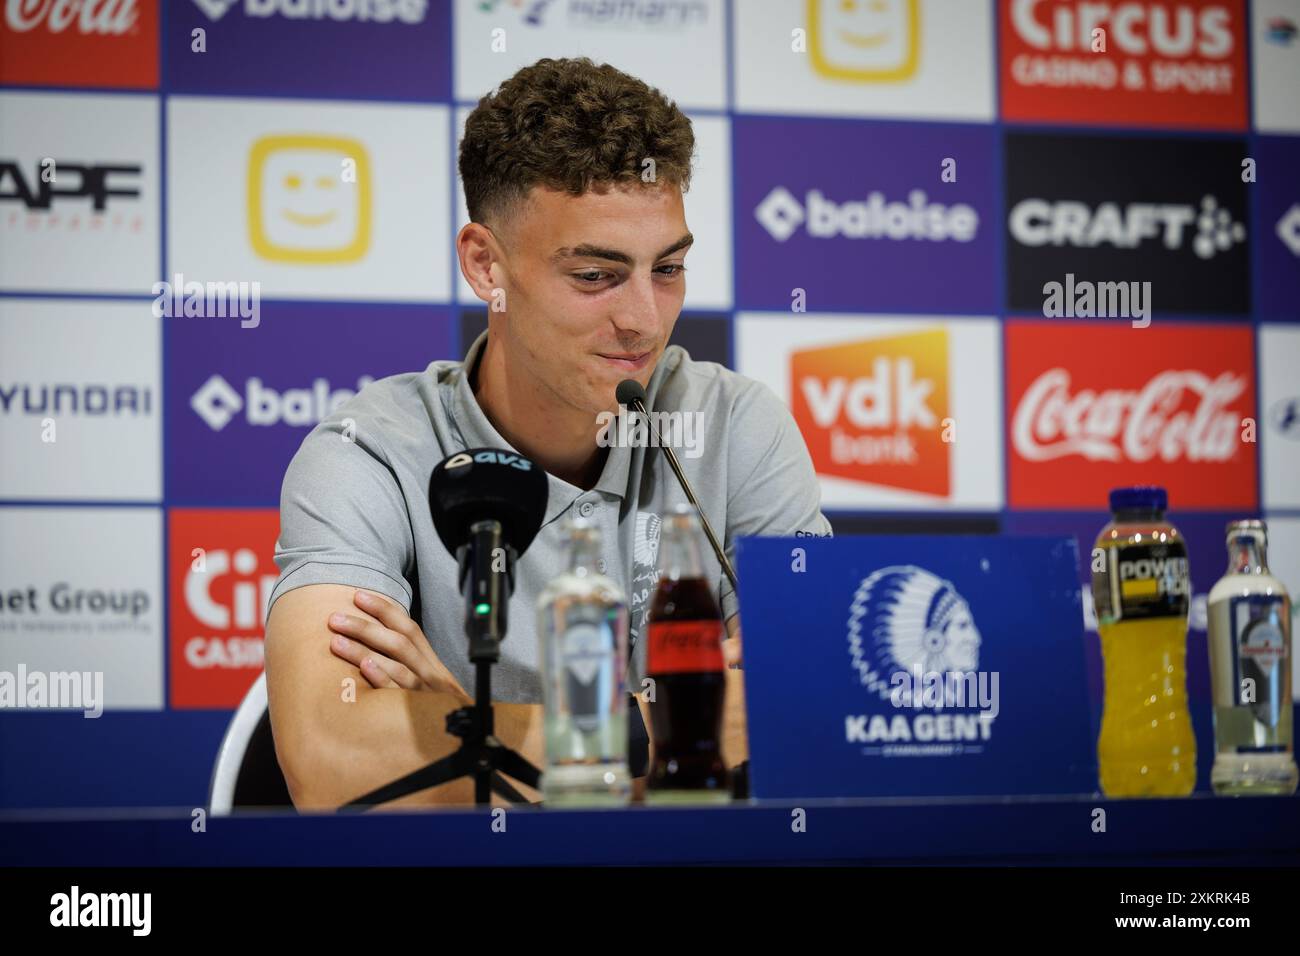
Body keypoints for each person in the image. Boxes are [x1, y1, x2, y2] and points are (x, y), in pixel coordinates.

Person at [264, 57, 832, 809]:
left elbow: (820, 718)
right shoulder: (366, 453)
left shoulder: (736, 428)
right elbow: (329, 756)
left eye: (667, 268)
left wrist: (468, 730)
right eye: (595, 275)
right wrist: (680, 734)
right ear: (484, 265)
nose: (643, 318)